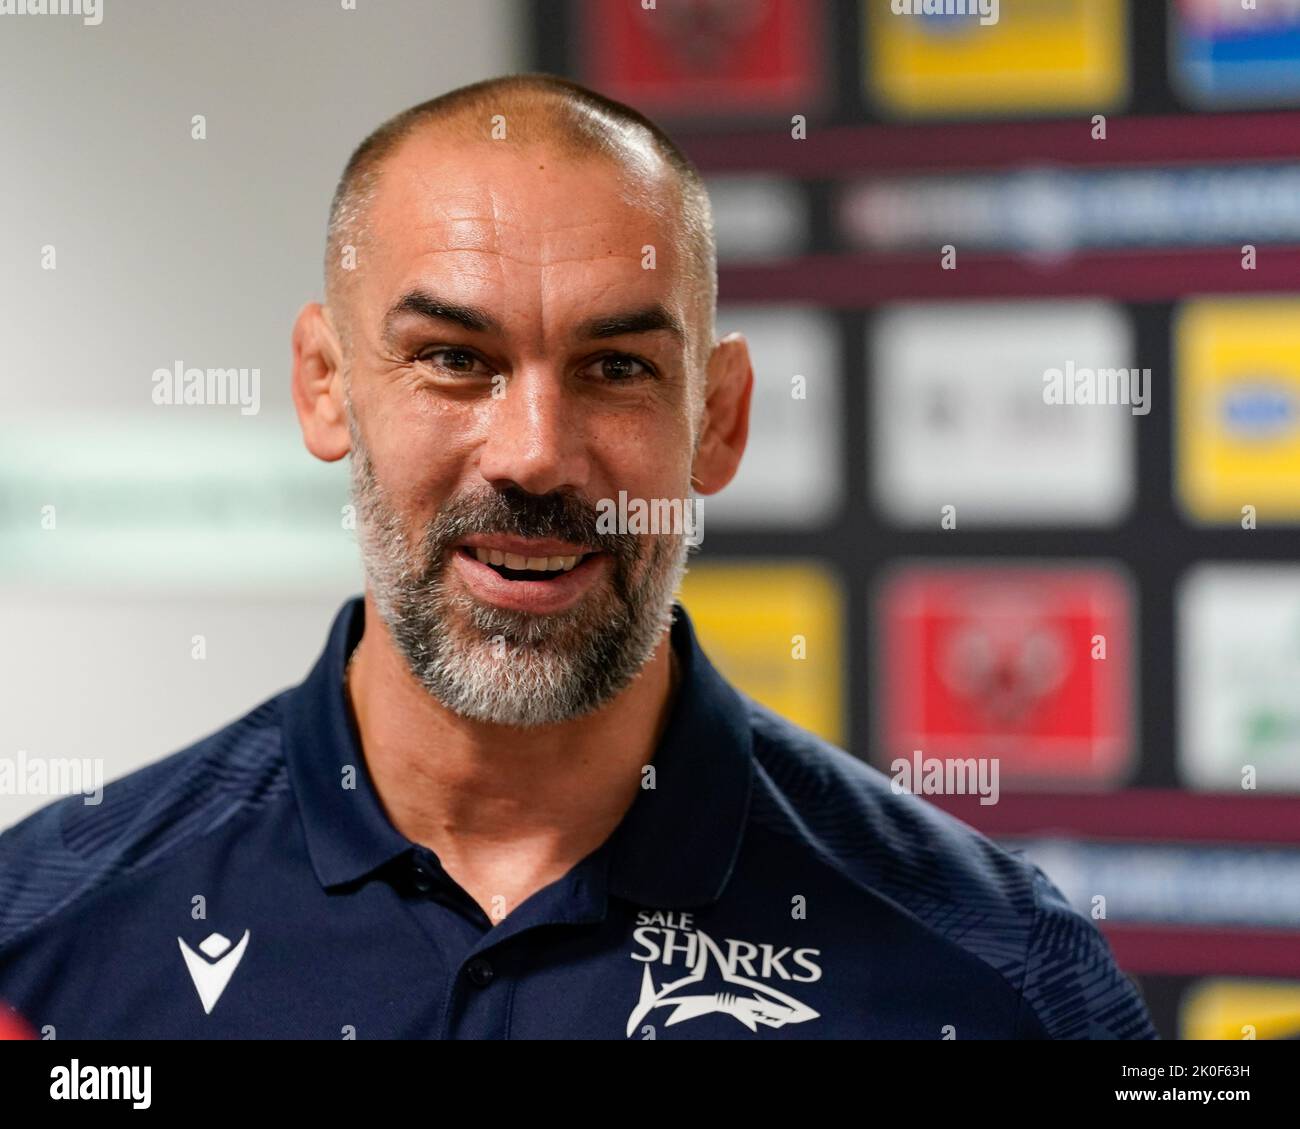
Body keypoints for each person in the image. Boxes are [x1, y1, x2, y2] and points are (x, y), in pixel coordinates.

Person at [0, 73, 1157, 1039]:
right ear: (325, 386)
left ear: (718, 419)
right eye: (454, 358)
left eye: (616, 369)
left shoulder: (1002, 978)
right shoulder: (40, 942)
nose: (536, 456)